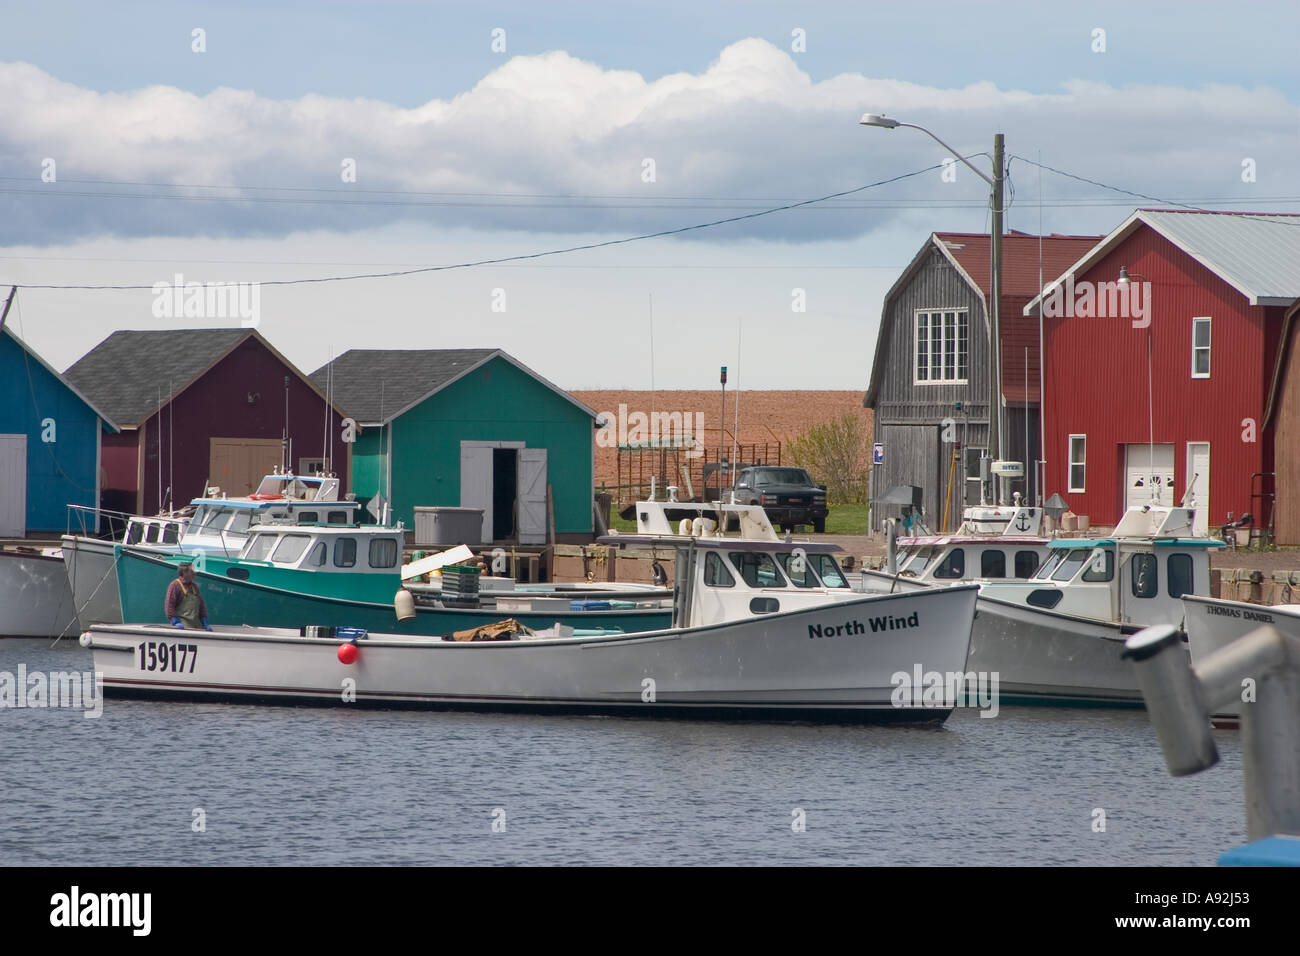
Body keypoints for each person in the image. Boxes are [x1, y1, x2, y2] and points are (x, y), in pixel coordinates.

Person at [165, 563, 213, 630]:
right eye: (192, 571)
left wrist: (204, 620)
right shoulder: (175, 585)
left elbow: (201, 605)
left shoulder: (194, 586)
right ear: (184, 572)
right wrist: (175, 621)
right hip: (183, 625)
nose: (194, 573)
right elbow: (169, 605)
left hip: (196, 624)